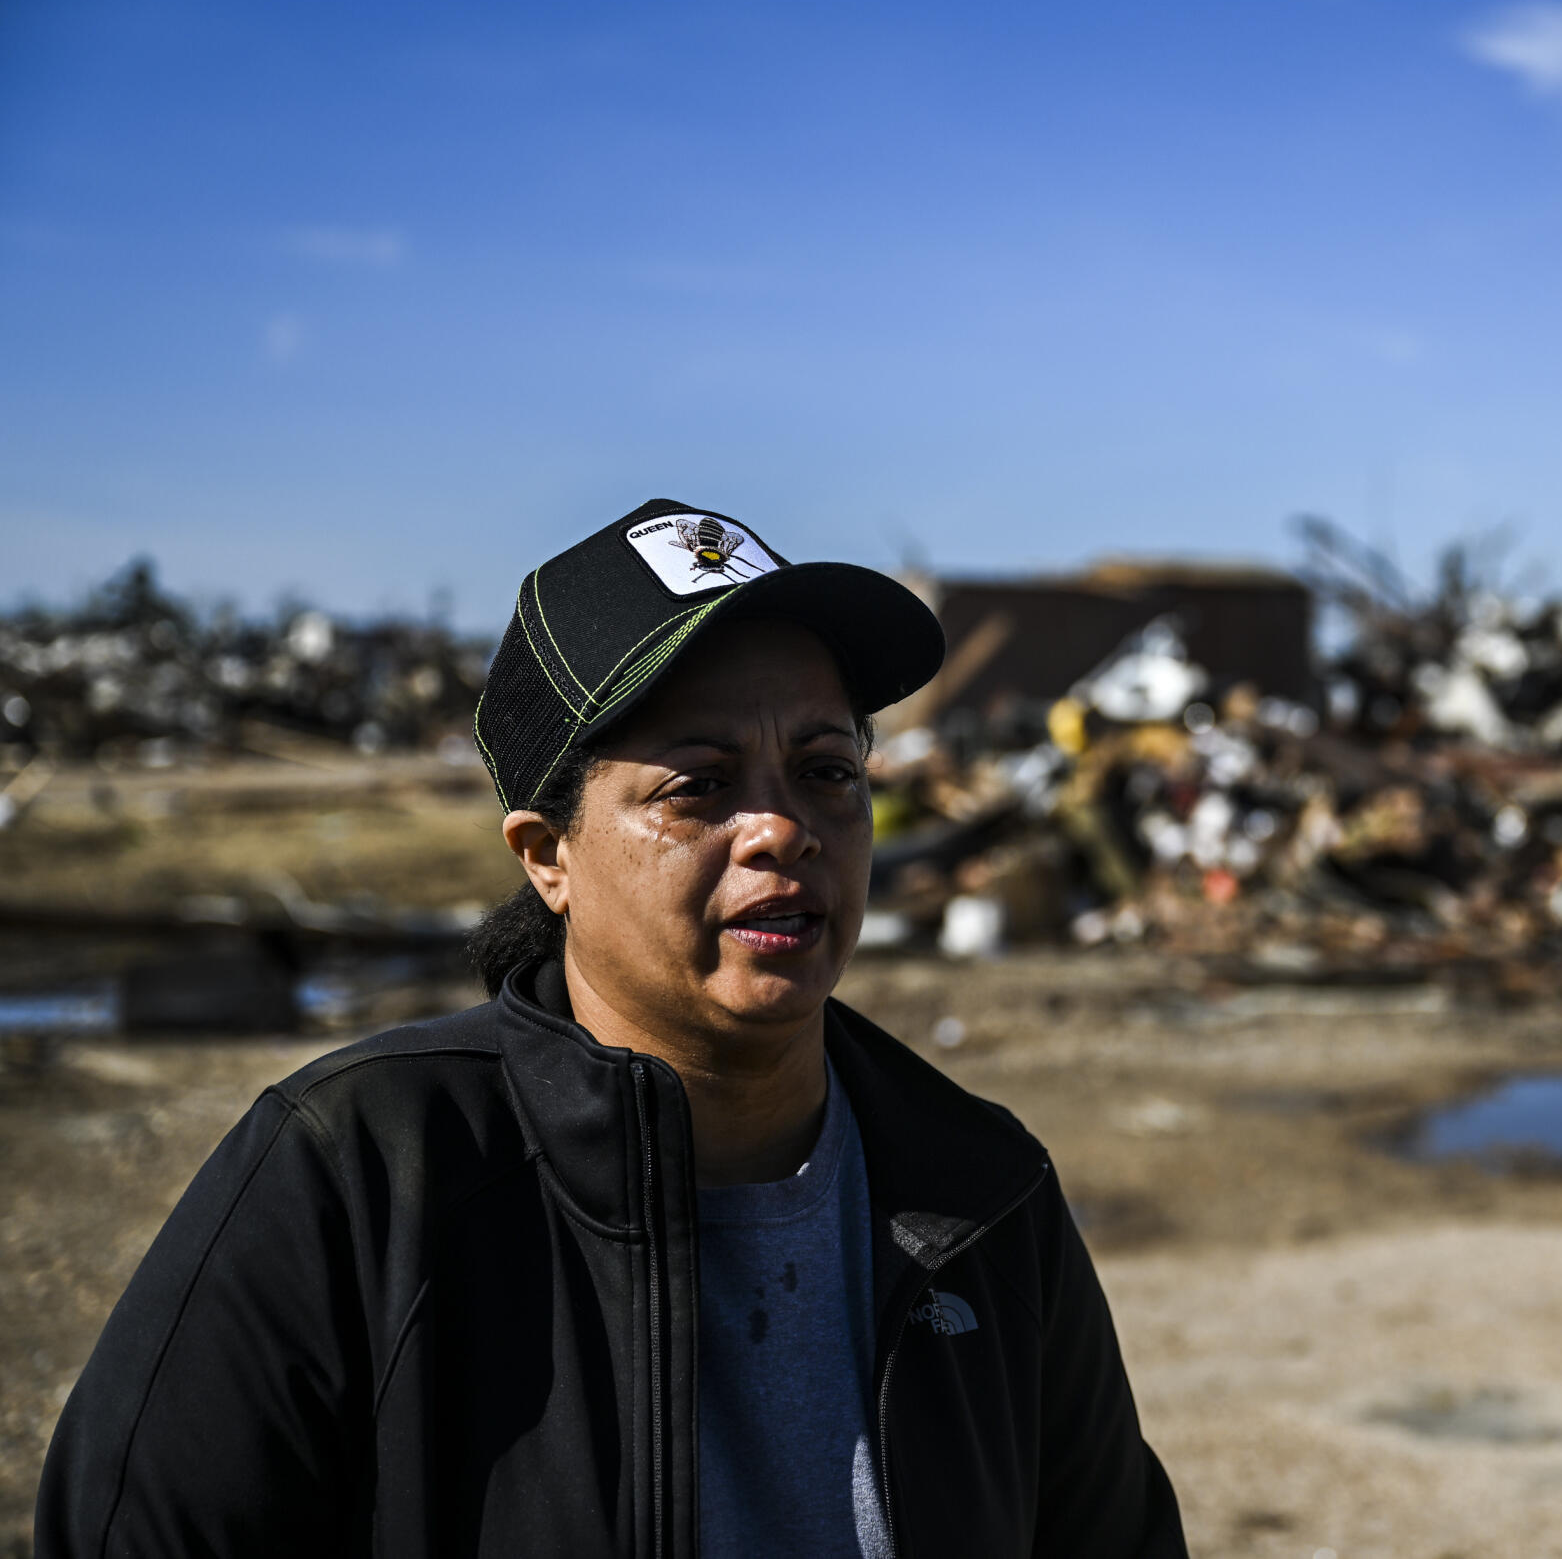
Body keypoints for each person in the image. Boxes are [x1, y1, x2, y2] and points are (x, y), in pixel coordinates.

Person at [36, 499, 1188, 1558]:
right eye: (696, 786)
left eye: (827, 769)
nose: (783, 829)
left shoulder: (977, 1193)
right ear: (547, 858)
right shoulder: (361, 1181)